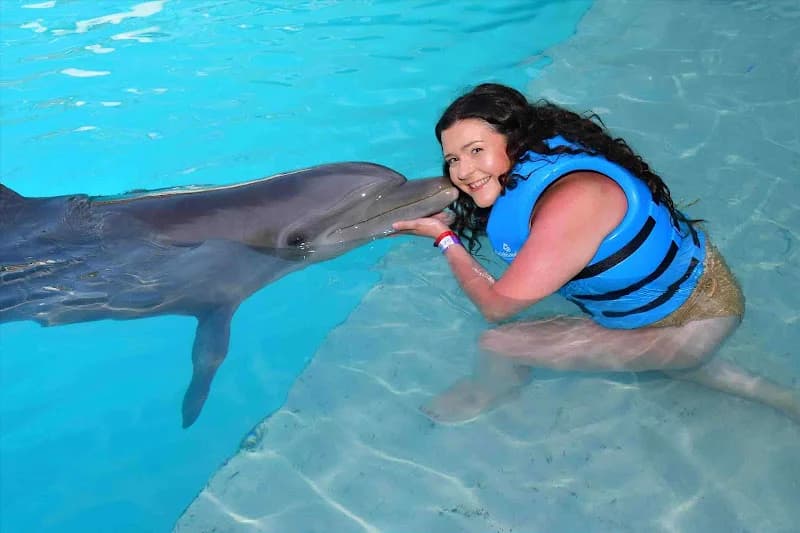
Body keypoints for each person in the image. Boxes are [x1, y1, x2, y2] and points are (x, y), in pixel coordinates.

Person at [393, 83, 798, 423]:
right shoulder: (546, 154)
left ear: (512, 139)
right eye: (453, 159)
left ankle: (494, 391)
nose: (462, 171)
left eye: (475, 150)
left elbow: (496, 307)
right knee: (676, 363)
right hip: (699, 297)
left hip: (684, 323)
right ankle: (783, 399)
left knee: (497, 344)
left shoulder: (573, 201)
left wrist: (444, 238)